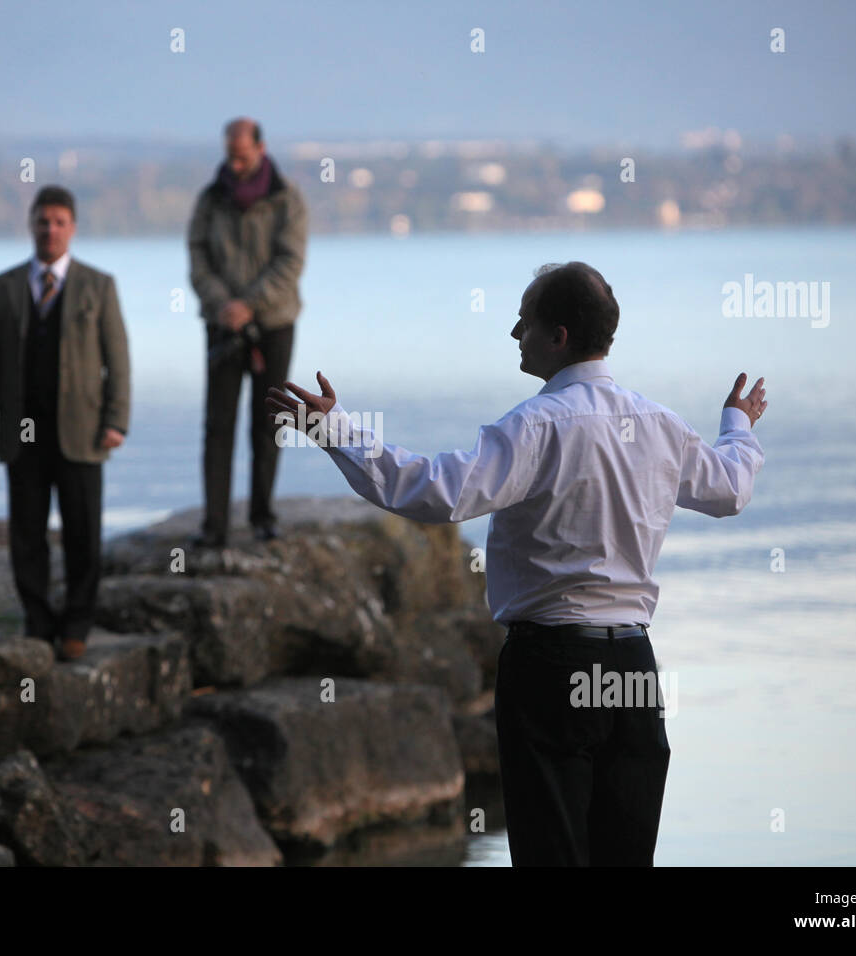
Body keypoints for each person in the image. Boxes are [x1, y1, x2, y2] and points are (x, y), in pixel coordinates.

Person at [266, 261, 767, 866]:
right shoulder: (660, 426)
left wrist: (336, 431)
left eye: (524, 323)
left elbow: (436, 491)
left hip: (549, 664)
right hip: (632, 666)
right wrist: (737, 423)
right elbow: (730, 488)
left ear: (557, 337)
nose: (513, 333)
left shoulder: (535, 426)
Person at [0, 185, 130, 661]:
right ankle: (38, 622)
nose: (50, 230)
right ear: (31, 225)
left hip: (82, 432)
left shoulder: (99, 286)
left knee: (84, 533)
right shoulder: (2, 288)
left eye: (59, 222)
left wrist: (116, 419)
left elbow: (118, 362)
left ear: (72, 228)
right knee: (27, 533)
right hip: (22, 435)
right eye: (43, 221)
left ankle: (77, 624)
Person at [187, 117, 307, 547]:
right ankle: (214, 525)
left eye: (242, 156)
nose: (235, 165)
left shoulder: (287, 199)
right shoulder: (210, 199)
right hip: (221, 326)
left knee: (268, 423)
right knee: (217, 425)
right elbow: (197, 255)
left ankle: (262, 517)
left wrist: (250, 305)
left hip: (273, 326)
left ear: (261, 147)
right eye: (230, 156)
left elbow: (290, 262)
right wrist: (224, 305)